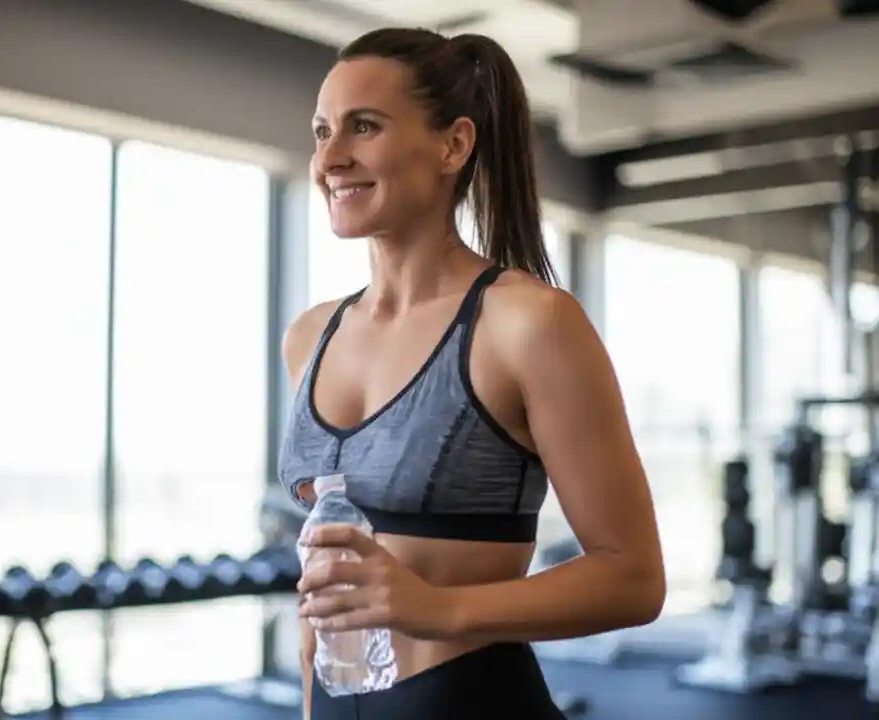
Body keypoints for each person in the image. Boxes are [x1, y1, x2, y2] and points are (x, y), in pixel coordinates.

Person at [277, 27, 665, 720]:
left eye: (363, 127)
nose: (330, 158)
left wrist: (440, 608)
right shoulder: (310, 337)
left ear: (454, 144)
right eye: (321, 131)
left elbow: (634, 579)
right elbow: (326, 585)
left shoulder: (527, 324)